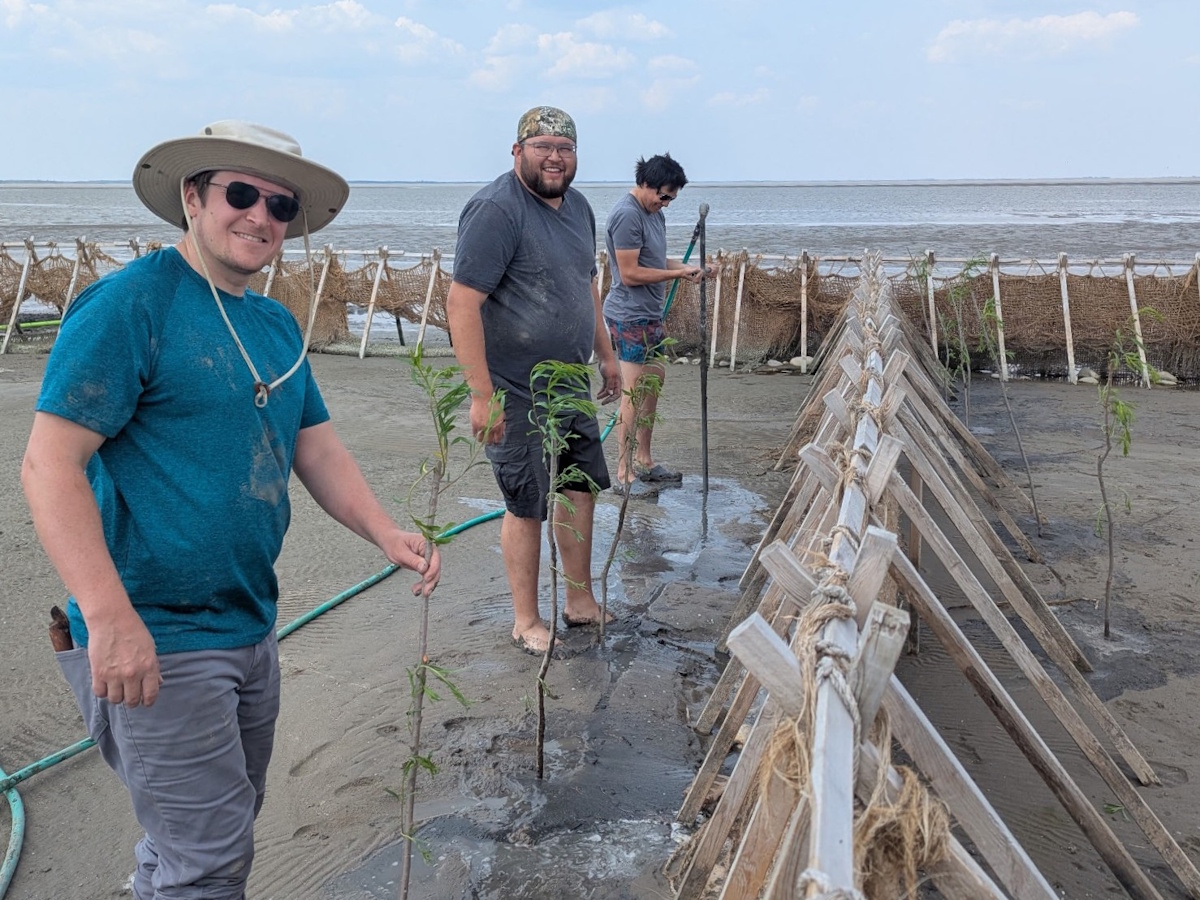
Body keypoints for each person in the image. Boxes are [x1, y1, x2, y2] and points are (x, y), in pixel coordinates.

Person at [21, 120, 440, 900]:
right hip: (156, 632)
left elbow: (314, 448)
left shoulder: (274, 323)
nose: (260, 216)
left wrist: (385, 530)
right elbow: (49, 466)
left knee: (207, 836)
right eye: (239, 194)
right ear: (192, 197)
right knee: (208, 862)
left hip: (249, 624)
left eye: (279, 204)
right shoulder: (128, 306)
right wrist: (110, 620)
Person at [446, 106, 621, 656]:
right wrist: (481, 395)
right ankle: (526, 619)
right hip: (516, 390)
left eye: (564, 148)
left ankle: (579, 601)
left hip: (570, 382)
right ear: (517, 151)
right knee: (526, 502)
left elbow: (585, 285)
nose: (554, 157)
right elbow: (462, 303)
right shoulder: (497, 209)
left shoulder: (580, 208)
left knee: (578, 488)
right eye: (542, 145)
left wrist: (607, 355)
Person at [602, 152, 709, 489]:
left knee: (654, 381)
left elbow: (656, 258)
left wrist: (687, 270)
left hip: (649, 314)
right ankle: (623, 473)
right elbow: (631, 273)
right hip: (627, 314)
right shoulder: (627, 215)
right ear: (645, 184)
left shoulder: (654, 214)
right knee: (633, 392)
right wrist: (673, 273)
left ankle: (644, 460)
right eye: (663, 196)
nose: (666, 203)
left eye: (672, 199)